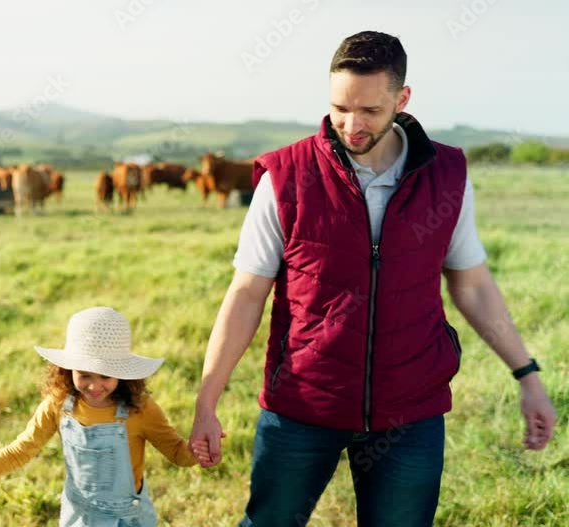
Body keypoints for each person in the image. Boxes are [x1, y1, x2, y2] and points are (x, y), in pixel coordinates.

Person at [189, 31, 557, 527]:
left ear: (402, 100)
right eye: (340, 107)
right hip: (302, 404)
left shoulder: (446, 175)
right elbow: (246, 294)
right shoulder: (286, 175)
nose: (351, 124)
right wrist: (207, 399)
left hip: (411, 410)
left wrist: (527, 375)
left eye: (370, 110)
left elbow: (472, 285)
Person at [0, 306, 202, 526]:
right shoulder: (58, 405)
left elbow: (178, 454)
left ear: (122, 374)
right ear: (67, 370)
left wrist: (199, 450)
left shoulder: (141, 410)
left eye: (105, 376)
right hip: (80, 517)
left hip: (127, 519)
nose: (94, 386)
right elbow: (20, 451)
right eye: (84, 375)